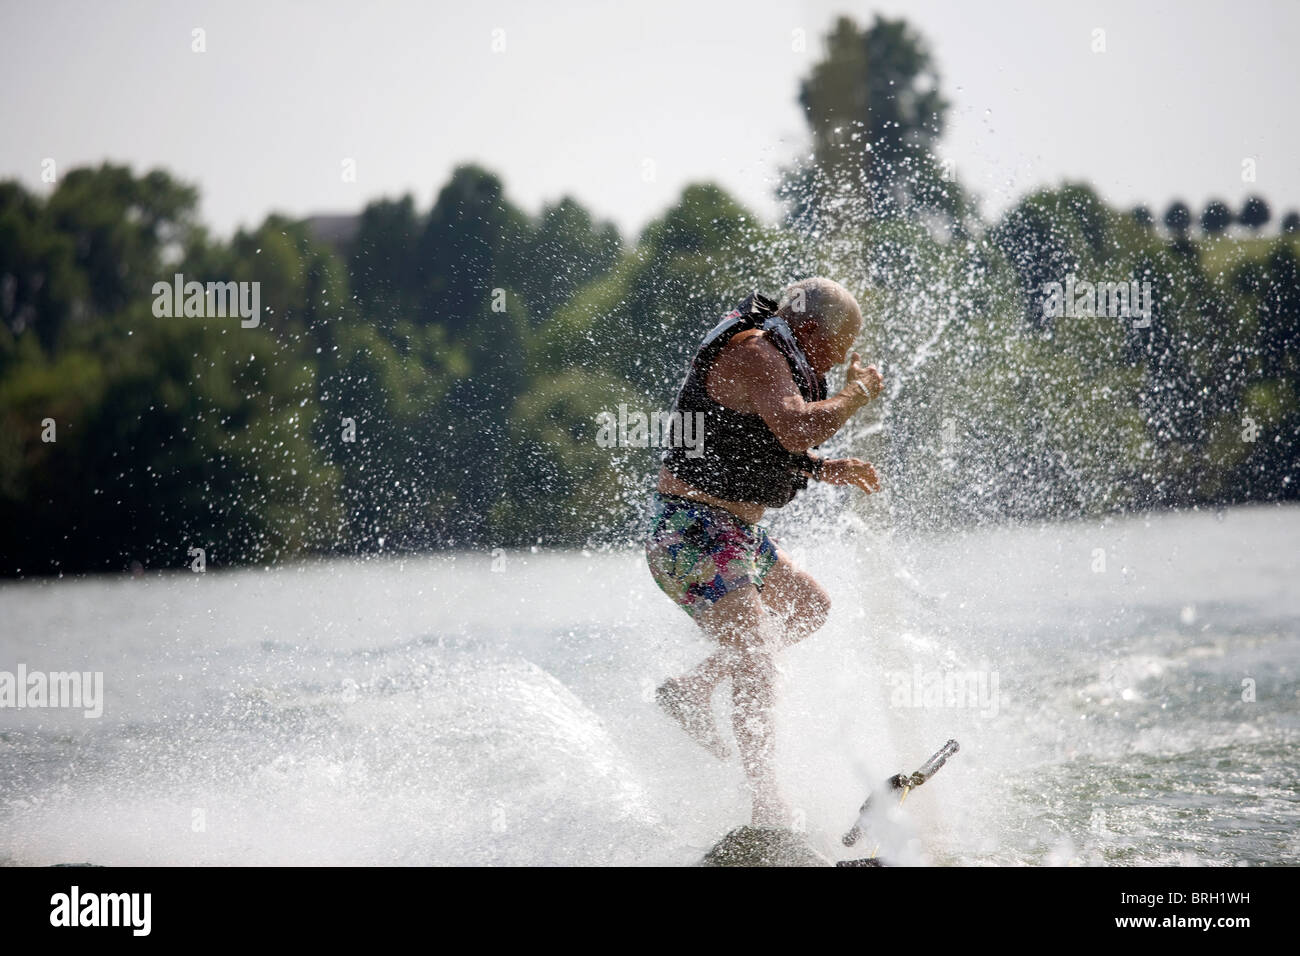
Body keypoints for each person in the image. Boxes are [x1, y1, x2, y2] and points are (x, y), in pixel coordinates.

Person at [644, 276, 884, 826]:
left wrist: (825, 468)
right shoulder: (755, 351)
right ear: (808, 329)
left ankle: (693, 688)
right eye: (838, 349)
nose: (836, 364)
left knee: (808, 609)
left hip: (736, 535)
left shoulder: (777, 354)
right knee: (756, 652)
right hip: (692, 530)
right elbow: (796, 427)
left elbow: (753, 441)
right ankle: (767, 809)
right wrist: (857, 395)